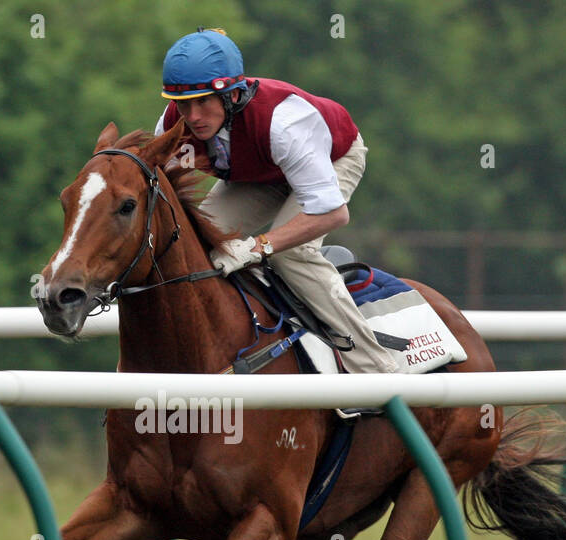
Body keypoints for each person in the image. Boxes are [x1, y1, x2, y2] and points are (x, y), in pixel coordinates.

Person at [155, 28, 399, 374]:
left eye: (203, 101)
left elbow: (332, 214)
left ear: (231, 96)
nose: (192, 117)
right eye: (183, 104)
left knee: (289, 254)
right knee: (193, 243)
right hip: (262, 173)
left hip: (331, 159)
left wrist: (257, 247)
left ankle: (376, 367)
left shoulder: (284, 123)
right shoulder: (170, 126)